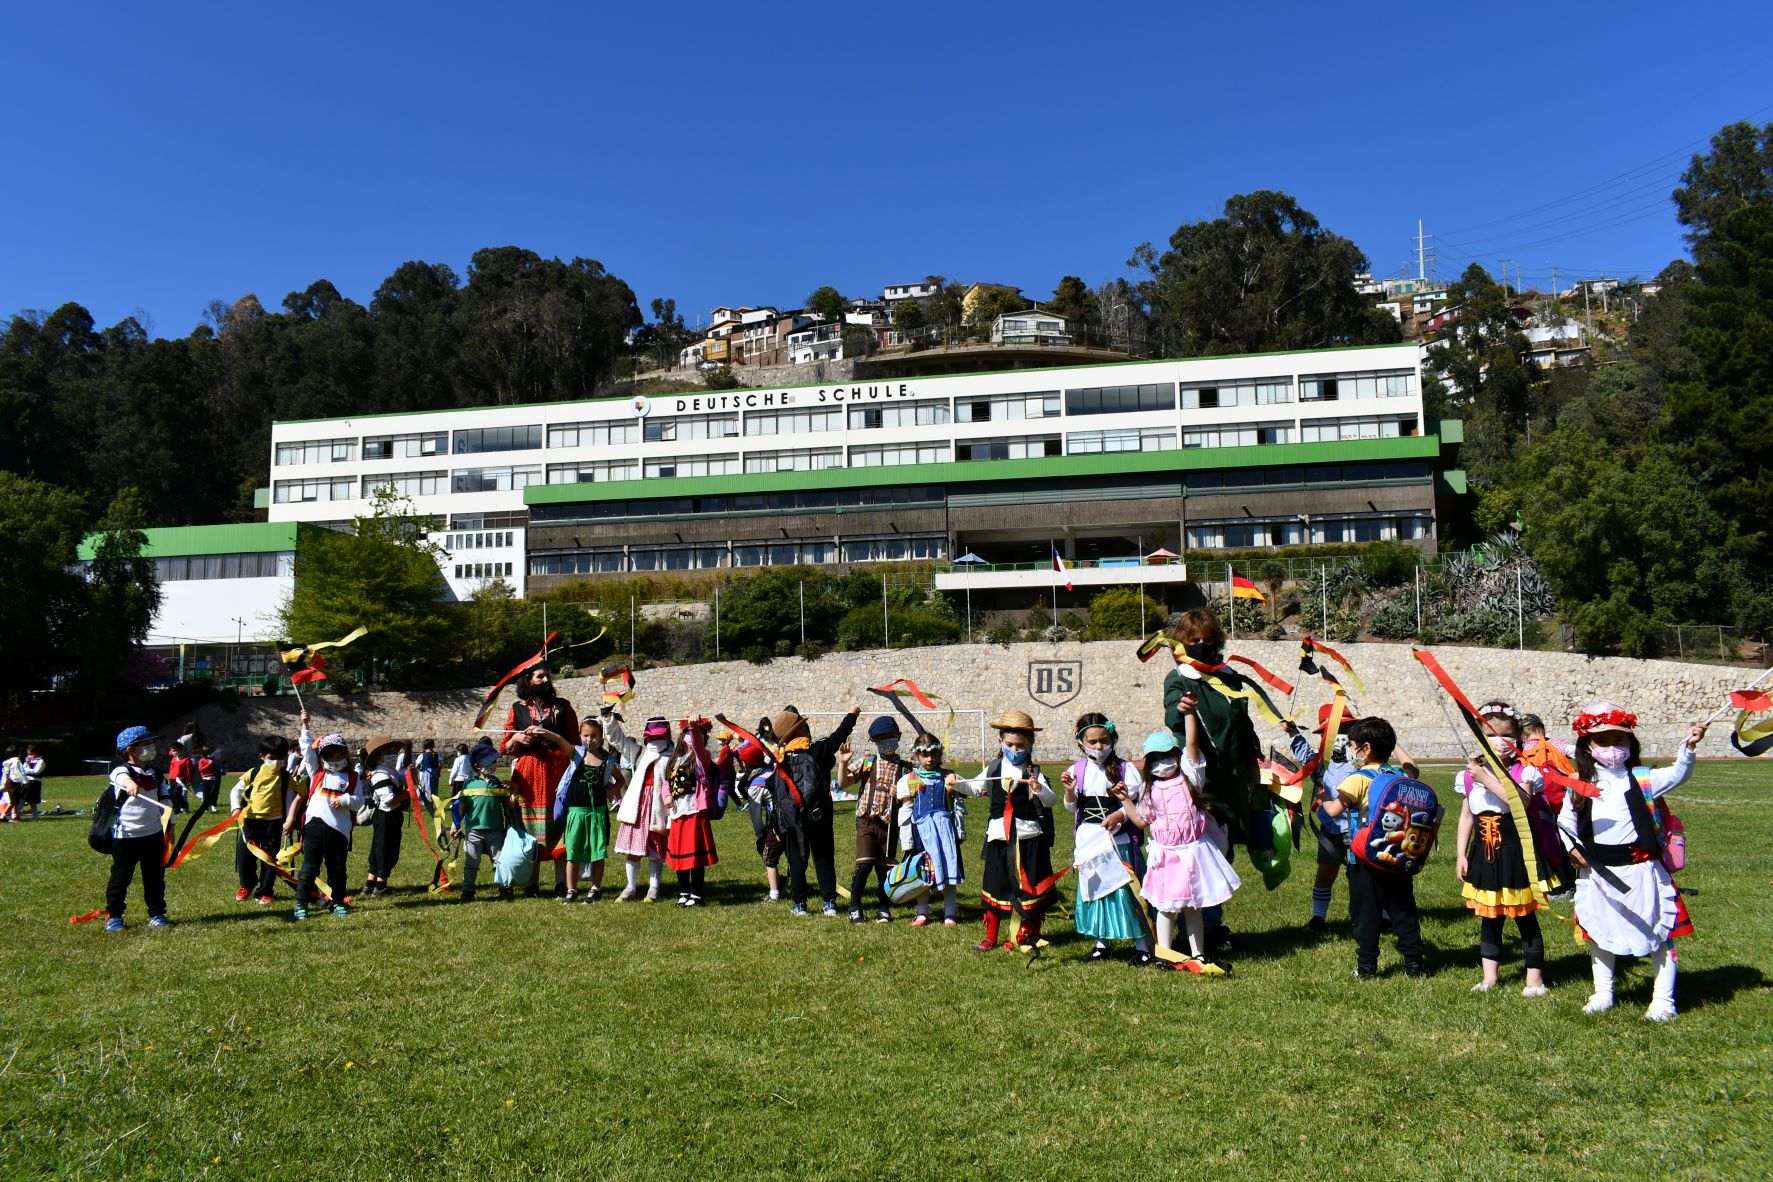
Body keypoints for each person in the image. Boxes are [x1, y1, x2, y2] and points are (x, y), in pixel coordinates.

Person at [1558, 702, 1703, 1022]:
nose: (1611, 747)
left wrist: (1687, 748)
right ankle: (1603, 992)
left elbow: (1679, 773)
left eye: (1619, 740)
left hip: (1642, 872)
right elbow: (1565, 821)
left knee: (1660, 932)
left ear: (1631, 745)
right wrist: (1572, 848)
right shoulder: (1577, 781)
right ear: (1587, 745)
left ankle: (1663, 1001)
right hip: (1597, 873)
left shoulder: (1644, 778)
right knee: (1600, 932)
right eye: (1603, 741)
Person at [1161, 608, 1266, 957]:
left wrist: (1255, 751)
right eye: (1194, 641)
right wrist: (1182, 708)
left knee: (1222, 854)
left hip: (1233, 779)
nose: (1202, 645)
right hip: (1200, 780)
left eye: (1208, 640)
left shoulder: (1230, 676)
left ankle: (1213, 926)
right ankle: (1191, 932)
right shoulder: (1180, 677)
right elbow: (1172, 710)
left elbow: (1241, 718)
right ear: (1182, 644)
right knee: (1197, 856)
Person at [1455, 701, 1561, 996]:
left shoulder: (1524, 771)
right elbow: (1466, 816)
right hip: (1484, 853)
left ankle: (1534, 980)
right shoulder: (1469, 775)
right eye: (1490, 736)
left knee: (1525, 917)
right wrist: (1461, 854)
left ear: (1517, 739)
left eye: (1505, 736)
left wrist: (1487, 779)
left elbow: (1522, 804)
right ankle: (1490, 977)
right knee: (1490, 919)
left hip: (1517, 854)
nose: (1498, 743)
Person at [1319, 716, 1430, 980]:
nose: (1351, 750)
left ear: (1365, 748)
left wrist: (1322, 798)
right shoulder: (1398, 775)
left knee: (1365, 913)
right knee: (1403, 909)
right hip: (1397, 854)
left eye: (1354, 745)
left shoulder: (1358, 778)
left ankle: (1367, 966)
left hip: (1365, 857)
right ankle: (1414, 963)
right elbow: (1413, 767)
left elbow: (1334, 810)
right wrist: (1394, 746)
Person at [1139, 724, 1239, 974]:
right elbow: (1143, 819)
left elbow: (1192, 747)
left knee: (1193, 906)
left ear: (1176, 755)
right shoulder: (1149, 790)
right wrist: (1125, 801)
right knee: (1165, 907)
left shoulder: (1189, 780)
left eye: (1168, 756)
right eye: (1156, 759)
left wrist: (1189, 716)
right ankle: (1164, 954)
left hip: (1191, 854)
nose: (1163, 763)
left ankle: (1198, 954)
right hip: (1165, 856)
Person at [960, 710, 1057, 952]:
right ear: (1000, 742)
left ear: (1029, 745)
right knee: (995, 884)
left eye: (1020, 746)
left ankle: (1028, 934)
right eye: (1010, 744)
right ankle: (990, 935)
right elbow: (973, 787)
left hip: (1027, 839)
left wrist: (1038, 787)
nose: (1015, 750)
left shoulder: (1034, 771)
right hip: (998, 839)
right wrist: (955, 782)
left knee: (1030, 888)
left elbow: (1050, 800)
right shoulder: (993, 767)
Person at [1060, 712, 1150, 963]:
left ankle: (1144, 944)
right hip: (1090, 840)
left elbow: (1139, 804)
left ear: (1112, 739)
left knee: (1128, 890)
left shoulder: (1125, 769)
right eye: (1093, 742)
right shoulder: (1077, 769)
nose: (1099, 747)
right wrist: (1069, 792)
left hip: (1117, 841)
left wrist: (1120, 815)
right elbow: (1071, 808)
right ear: (1081, 743)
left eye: (1104, 740)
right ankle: (1102, 943)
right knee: (1096, 890)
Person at [771, 705, 861, 917]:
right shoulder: (818, 749)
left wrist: (777, 822)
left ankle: (799, 904)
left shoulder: (781, 759)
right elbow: (840, 735)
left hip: (793, 818)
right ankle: (829, 902)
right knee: (823, 857)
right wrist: (852, 715)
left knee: (795, 859)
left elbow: (774, 789)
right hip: (820, 814)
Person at [498, 664, 579, 897]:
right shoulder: (517, 709)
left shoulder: (563, 707)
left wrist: (553, 737)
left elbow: (575, 743)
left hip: (558, 770)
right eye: (539, 676)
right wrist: (517, 738)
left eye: (547, 676)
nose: (545, 679)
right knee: (530, 827)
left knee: (560, 823)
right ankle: (531, 883)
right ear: (528, 680)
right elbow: (504, 746)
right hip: (528, 774)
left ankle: (561, 882)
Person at [287, 710, 361, 920]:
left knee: (337, 868)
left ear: (345, 754)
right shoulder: (316, 773)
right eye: (328, 754)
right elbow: (306, 750)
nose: (334, 757)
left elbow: (359, 802)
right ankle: (301, 903)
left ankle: (337, 901)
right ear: (322, 757)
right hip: (315, 827)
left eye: (337, 753)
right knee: (309, 867)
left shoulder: (352, 778)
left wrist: (345, 800)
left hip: (339, 831)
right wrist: (305, 725)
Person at [102, 726, 173, 932]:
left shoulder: (156, 774)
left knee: (154, 878)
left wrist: (171, 825)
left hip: (153, 834)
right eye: (146, 745)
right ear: (131, 750)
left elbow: (166, 801)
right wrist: (129, 783)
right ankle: (114, 916)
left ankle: (157, 913)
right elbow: (118, 777)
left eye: (151, 744)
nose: (151, 748)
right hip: (126, 836)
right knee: (120, 877)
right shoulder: (122, 771)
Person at [840, 716, 909, 924]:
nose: (886, 741)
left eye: (890, 737)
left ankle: (884, 908)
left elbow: (914, 795)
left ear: (898, 737)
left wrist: (903, 793)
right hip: (866, 821)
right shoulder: (868, 762)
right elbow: (844, 783)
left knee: (885, 869)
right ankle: (855, 907)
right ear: (874, 742)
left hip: (889, 825)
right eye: (881, 739)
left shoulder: (906, 768)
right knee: (864, 865)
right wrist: (843, 764)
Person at [895, 732, 965, 927]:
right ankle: (922, 912)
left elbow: (958, 805)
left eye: (933, 754)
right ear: (917, 756)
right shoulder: (909, 780)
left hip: (945, 833)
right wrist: (907, 840)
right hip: (922, 834)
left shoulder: (948, 778)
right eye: (925, 755)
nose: (930, 759)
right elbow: (906, 811)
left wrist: (960, 831)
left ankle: (950, 912)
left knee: (948, 867)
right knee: (923, 872)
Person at [555, 716, 620, 902]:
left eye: (594, 735)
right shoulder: (576, 754)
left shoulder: (608, 760)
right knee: (572, 851)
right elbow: (560, 740)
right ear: (580, 735)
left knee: (597, 851)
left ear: (601, 736)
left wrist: (612, 790)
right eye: (585, 735)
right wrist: (545, 733)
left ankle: (595, 888)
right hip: (576, 811)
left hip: (597, 812)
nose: (589, 739)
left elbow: (620, 779)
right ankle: (571, 890)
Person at [612, 716, 675, 902]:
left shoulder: (673, 755)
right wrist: (609, 720)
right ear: (646, 737)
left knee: (655, 849)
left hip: (659, 806)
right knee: (634, 849)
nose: (656, 741)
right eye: (653, 737)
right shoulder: (640, 752)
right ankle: (630, 887)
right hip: (639, 806)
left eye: (660, 737)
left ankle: (653, 888)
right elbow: (618, 740)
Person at [231, 735, 294, 904]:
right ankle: (247, 884)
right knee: (245, 857)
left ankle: (265, 891)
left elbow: (289, 798)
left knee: (270, 859)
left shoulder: (287, 777)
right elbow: (235, 791)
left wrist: (289, 820)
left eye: (281, 758)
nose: (277, 762)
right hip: (250, 821)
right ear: (262, 757)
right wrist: (236, 809)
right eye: (272, 758)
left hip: (274, 823)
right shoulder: (253, 773)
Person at [450, 741, 514, 902]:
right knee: (471, 863)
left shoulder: (496, 783)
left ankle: (505, 889)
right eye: (491, 761)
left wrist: (514, 790)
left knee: (500, 862)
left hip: (496, 831)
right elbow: (461, 807)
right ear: (478, 766)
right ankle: (468, 891)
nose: (495, 764)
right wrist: (455, 825)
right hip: (474, 832)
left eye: (495, 761)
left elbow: (508, 805)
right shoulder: (469, 784)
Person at [665, 720, 719, 907]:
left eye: (696, 733)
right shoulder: (674, 759)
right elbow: (666, 782)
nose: (692, 735)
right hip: (678, 812)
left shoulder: (701, 757)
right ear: (681, 736)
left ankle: (697, 894)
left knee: (696, 856)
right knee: (680, 854)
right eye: (687, 732)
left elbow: (696, 743)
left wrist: (695, 727)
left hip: (695, 811)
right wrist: (666, 797)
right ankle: (683, 892)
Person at [362, 735, 410, 897]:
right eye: (388, 752)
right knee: (386, 850)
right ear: (377, 758)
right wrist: (407, 794)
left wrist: (411, 774)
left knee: (379, 848)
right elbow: (389, 799)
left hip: (389, 817)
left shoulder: (389, 772)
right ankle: (380, 886)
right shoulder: (380, 775)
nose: (393, 754)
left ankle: (370, 883)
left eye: (393, 751)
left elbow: (406, 777)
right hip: (386, 816)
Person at [165, 740, 195, 814]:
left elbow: (190, 771)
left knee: (176, 794)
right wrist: (169, 778)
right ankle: (176, 809)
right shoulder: (174, 759)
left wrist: (189, 781)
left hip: (181, 780)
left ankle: (184, 806)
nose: (173, 752)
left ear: (180, 750)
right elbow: (171, 769)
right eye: (172, 751)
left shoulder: (186, 760)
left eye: (174, 750)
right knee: (171, 794)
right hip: (172, 779)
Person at [195, 745, 221, 812]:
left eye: (212, 752)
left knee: (213, 793)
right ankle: (205, 807)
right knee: (206, 794)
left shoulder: (213, 759)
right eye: (209, 753)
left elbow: (216, 768)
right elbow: (201, 769)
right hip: (205, 780)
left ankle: (213, 805)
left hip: (213, 779)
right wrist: (209, 764)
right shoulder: (202, 760)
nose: (211, 754)